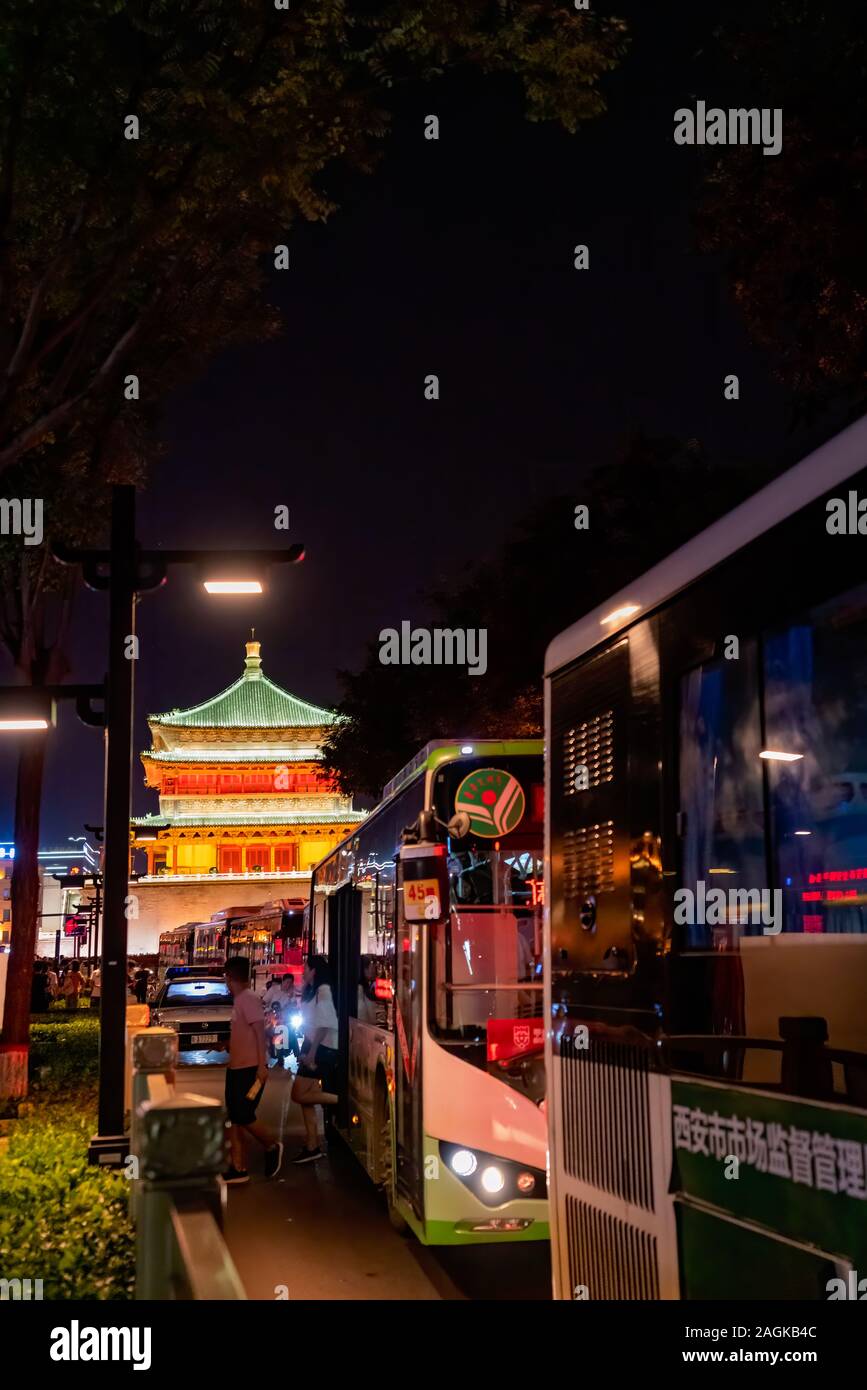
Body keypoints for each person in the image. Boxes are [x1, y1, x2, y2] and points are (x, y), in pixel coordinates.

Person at [221, 955, 283, 1185]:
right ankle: (238, 1168)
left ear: (229, 978)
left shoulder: (248, 999)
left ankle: (271, 1145)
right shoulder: (240, 1000)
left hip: (250, 1071)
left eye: (226, 978)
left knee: (243, 1115)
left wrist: (261, 1066)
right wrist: (229, 1045)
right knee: (234, 1118)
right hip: (237, 1069)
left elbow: (259, 1032)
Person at [290, 956, 339, 1165]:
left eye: (306, 968)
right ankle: (312, 1146)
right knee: (304, 1096)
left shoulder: (324, 991)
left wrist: (312, 1053)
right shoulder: (313, 991)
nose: (303, 972)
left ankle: (341, 1100)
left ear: (315, 971)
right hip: (313, 1045)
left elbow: (325, 1025)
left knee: (299, 1094)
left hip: (323, 1048)